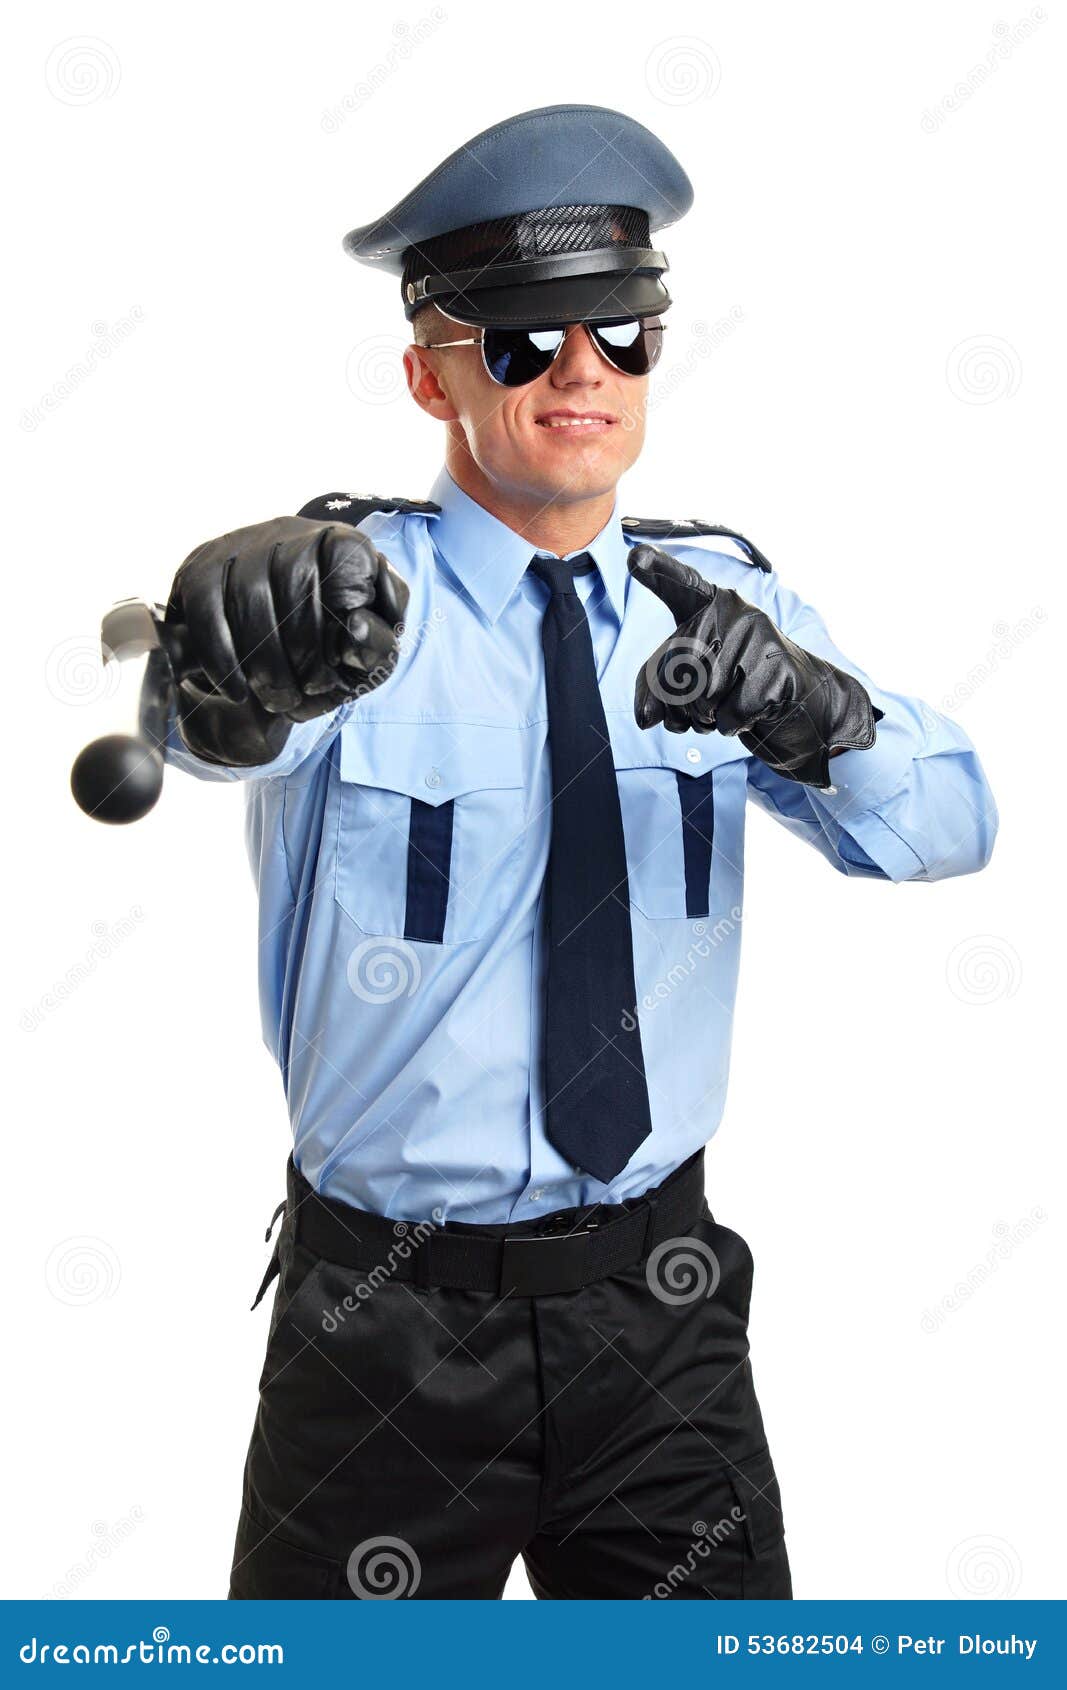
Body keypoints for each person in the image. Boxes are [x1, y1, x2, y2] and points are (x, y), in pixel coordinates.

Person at [159, 104, 998, 1600]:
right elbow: (215, 721)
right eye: (524, 341)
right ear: (429, 373)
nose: (582, 372)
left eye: (621, 329)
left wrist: (823, 721)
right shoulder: (347, 610)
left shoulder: (724, 605)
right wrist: (216, 658)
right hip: (386, 1338)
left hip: (659, 1312)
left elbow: (954, 829)